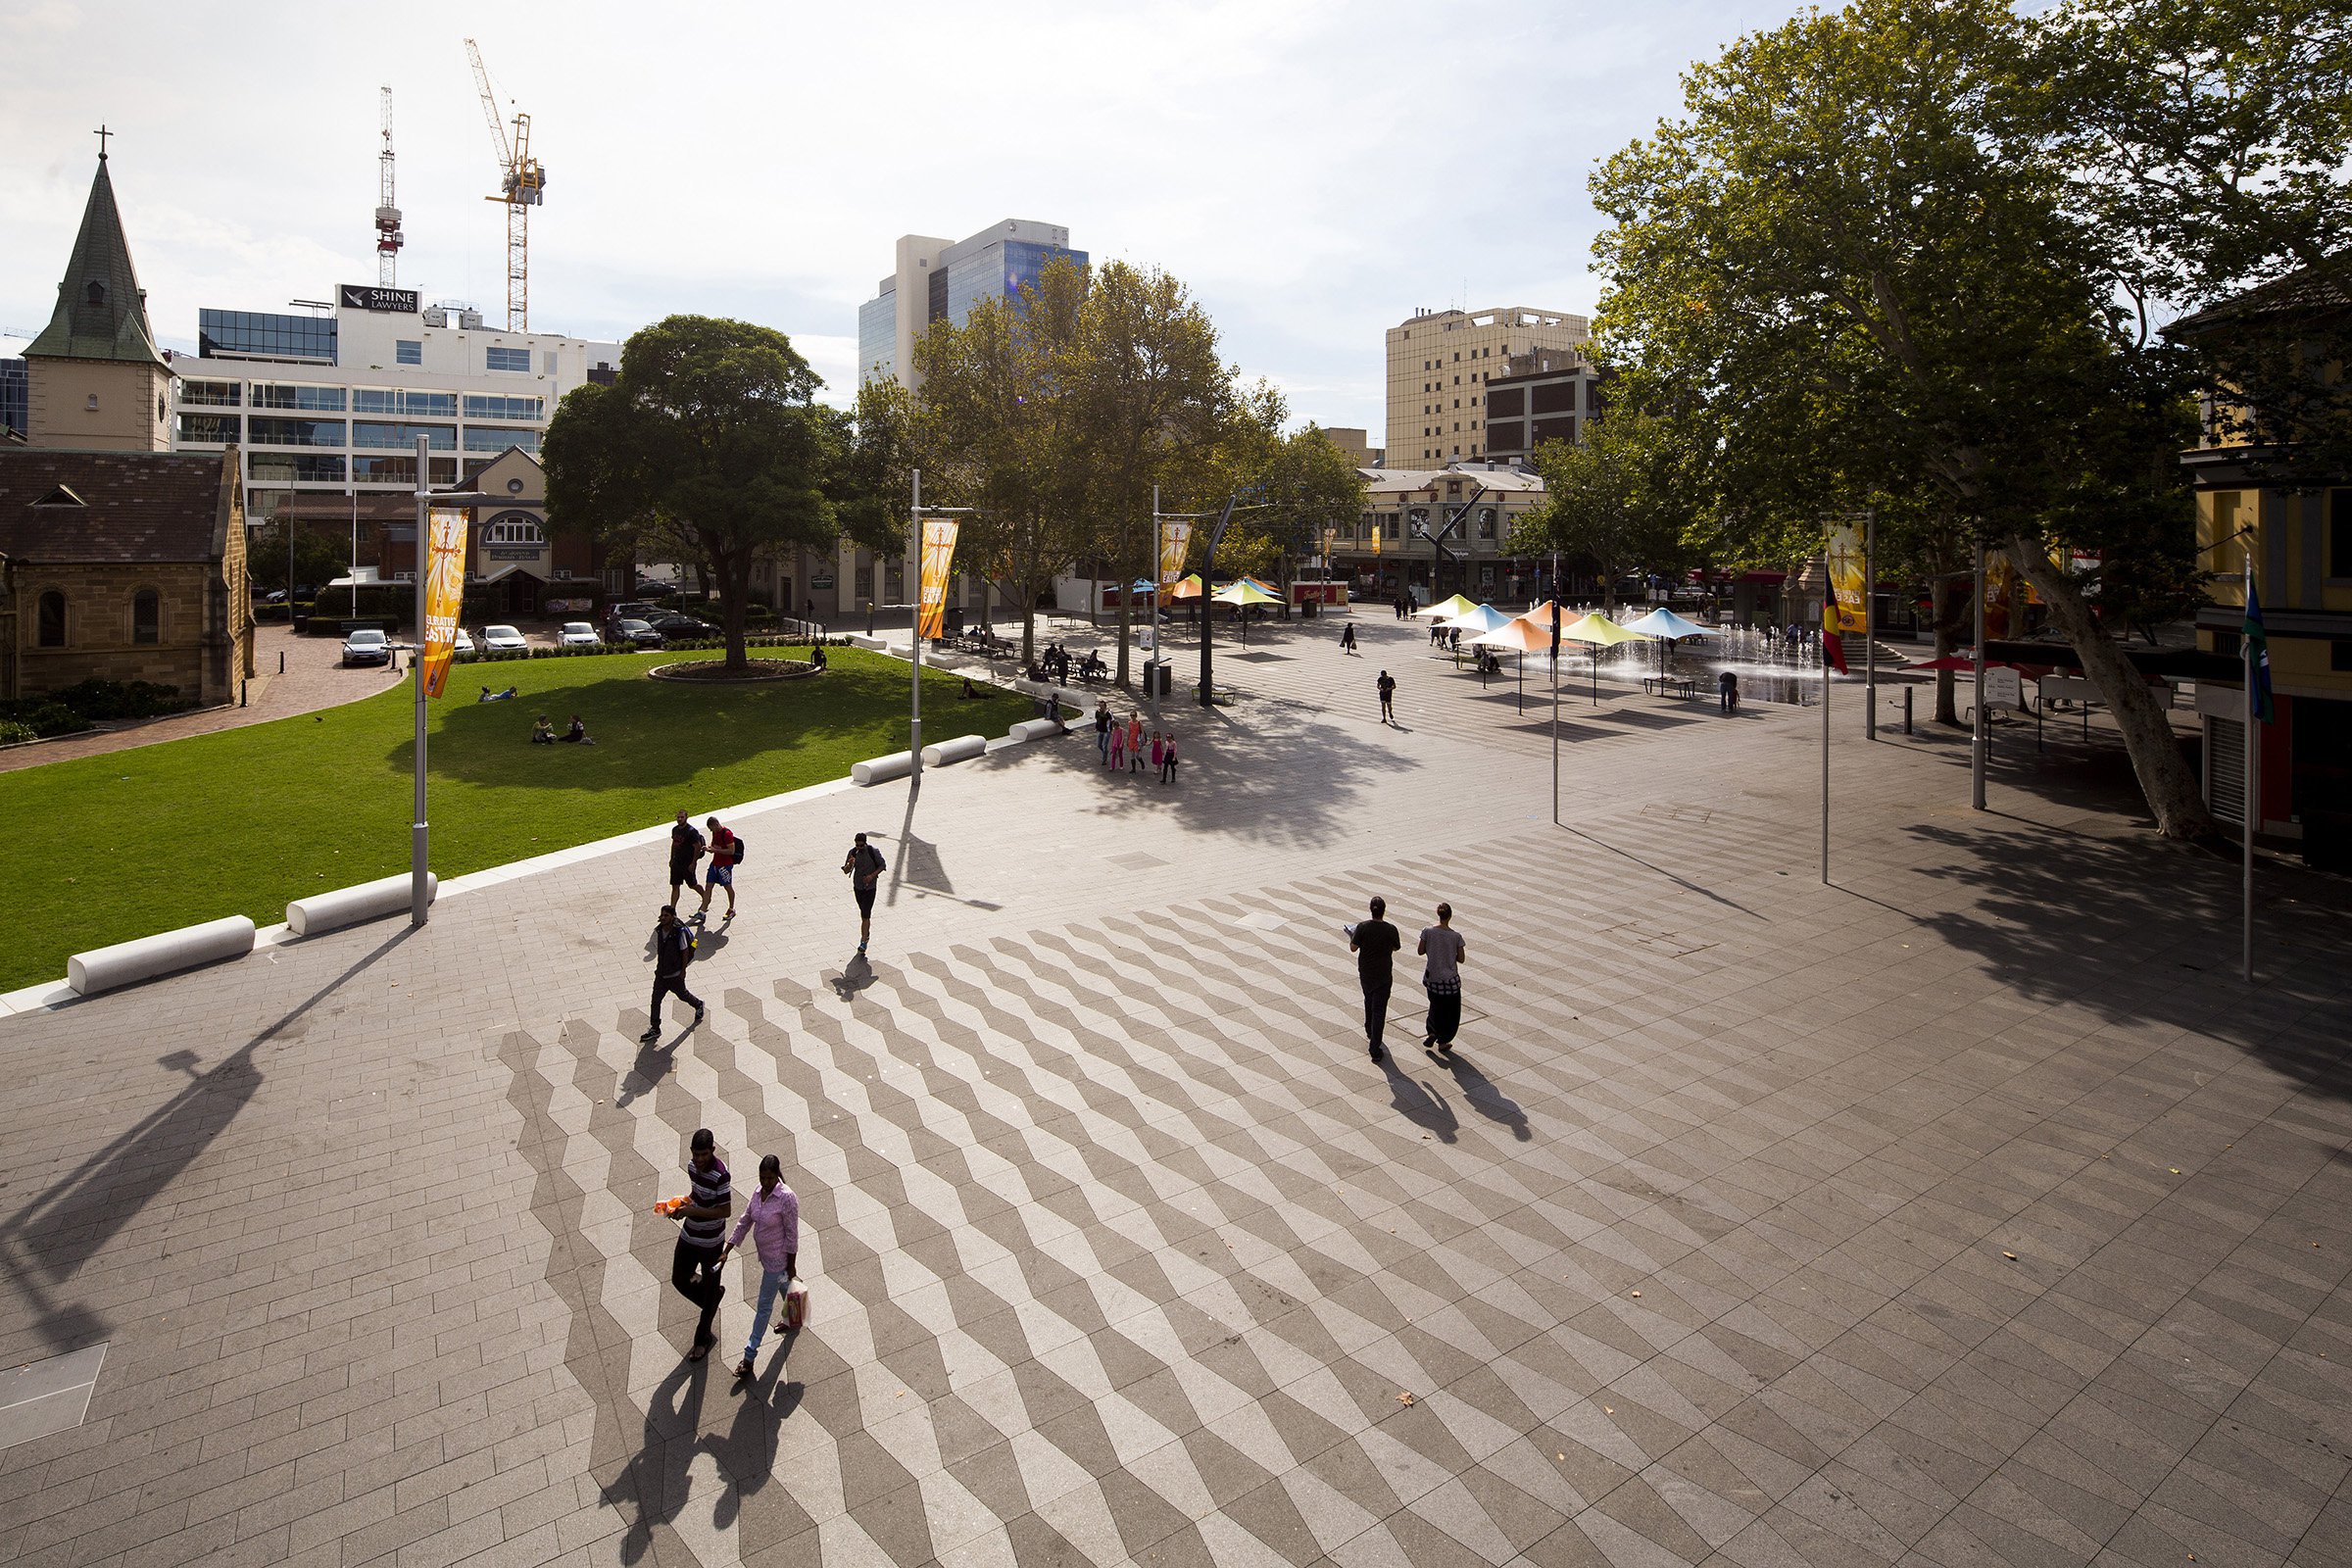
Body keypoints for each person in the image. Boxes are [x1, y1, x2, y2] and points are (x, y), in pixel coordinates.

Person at [723, 1154, 800, 1379]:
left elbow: (792, 1234)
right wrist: (727, 1249)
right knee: (785, 1286)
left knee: (764, 1306)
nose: (765, 1183)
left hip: (778, 1261)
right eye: (762, 1178)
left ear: (777, 1176)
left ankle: (749, 1356)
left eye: (769, 1178)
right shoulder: (758, 1192)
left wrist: (791, 1265)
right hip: (767, 1258)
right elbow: (745, 1219)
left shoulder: (787, 1198)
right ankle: (795, 1317)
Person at [667, 1129, 732, 1361]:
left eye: (704, 1154)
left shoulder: (721, 1174)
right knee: (679, 1278)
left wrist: (692, 1211)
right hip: (689, 1234)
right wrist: (680, 1206)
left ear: (712, 1150)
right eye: (696, 1154)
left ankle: (701, 1339)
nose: (699, 1159)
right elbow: (697, 1195)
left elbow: (725, 1210)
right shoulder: (691, 1167)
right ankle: (712, 1298)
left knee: (710, 1288)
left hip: (711, 1242)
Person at [1347, 896, 1402, 1062]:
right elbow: (1396, 947)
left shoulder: (1362, 927)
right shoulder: (1391, 929)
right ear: (1384, 911)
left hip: (1366, 972)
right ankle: (1375, 1047)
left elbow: (1353, 948)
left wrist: (1353, 936)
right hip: (1383, 974)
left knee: (1368, 999)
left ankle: (1369, 1028)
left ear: (1371, 910)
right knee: (1379, 1009)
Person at [643, 905, 705, 1043]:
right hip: (661, 974)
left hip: (675, 974)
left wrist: (683, 971)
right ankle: (655, 1028)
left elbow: (685, 951)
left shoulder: (679, 932)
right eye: (662, 915)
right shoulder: (659, 930)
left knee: (683, 995)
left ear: (673, 917)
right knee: (655, 1000)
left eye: (666, 915)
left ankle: (698, 1004)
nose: (663, 917)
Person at [1418, 903, 1469, 1056]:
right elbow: (1461, 959)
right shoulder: (1456, 937)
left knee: (1435, 1006)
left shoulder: (1427, 931)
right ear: (1450, 916)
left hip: (1432, 978)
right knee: (1451, 1012)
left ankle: (1432, 1031)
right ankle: (1444, 1040)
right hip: (1450, 981)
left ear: (1438, 914)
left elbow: (1420, 951)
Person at [842, 831, 886, 954]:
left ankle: (863, 941)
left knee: (866, 914)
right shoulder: (852, 853)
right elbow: (846, 871)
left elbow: (882, 865)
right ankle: (866, 932)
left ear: (865, 844)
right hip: (858, 887)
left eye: (861, 845)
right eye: (857, 845)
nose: (859, 848)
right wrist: (850, 865)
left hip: (870, 888)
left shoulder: (873, 852)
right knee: (863, 913)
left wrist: (872, 876)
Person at [698, 816, 740, 922]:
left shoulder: (727, 834)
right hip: (715, 864)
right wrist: (708, 848)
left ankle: (731, 909)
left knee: (728, 886)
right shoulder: (715, 832)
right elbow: (713, 845)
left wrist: (715, 850)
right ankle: (702, 911)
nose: (711, 831)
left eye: (712, 828)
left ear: (716, 824)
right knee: (708, 886)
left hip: (725, 865)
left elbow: (731, 851)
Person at [667, 811, 706, 906]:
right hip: (677, 862)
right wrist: (671, 858)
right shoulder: (675, 830)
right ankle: (672, 909)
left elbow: (697, 847)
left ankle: (706, 897)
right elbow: (674, 844)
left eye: (682, 817)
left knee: (692, 885)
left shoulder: (691, 832)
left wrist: (693, 863)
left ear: (686, 818)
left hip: (687, 863)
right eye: (678, 817)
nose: (679, 819)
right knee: (675, 886)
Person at [1096, 700, 1114, 765]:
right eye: (1100, 706)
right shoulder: (1097, 712)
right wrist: (1096, 727)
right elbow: (1097, 720)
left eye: (1102, 706)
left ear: (1105, 706)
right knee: (1099, 745)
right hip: (1100, 730)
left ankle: (1104, 760)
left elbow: (1112, 720)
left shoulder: (1108, 713)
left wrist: (1112, 729)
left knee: (1104, 745)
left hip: (1107, 731)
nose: (1101, 707)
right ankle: (1105, 752)